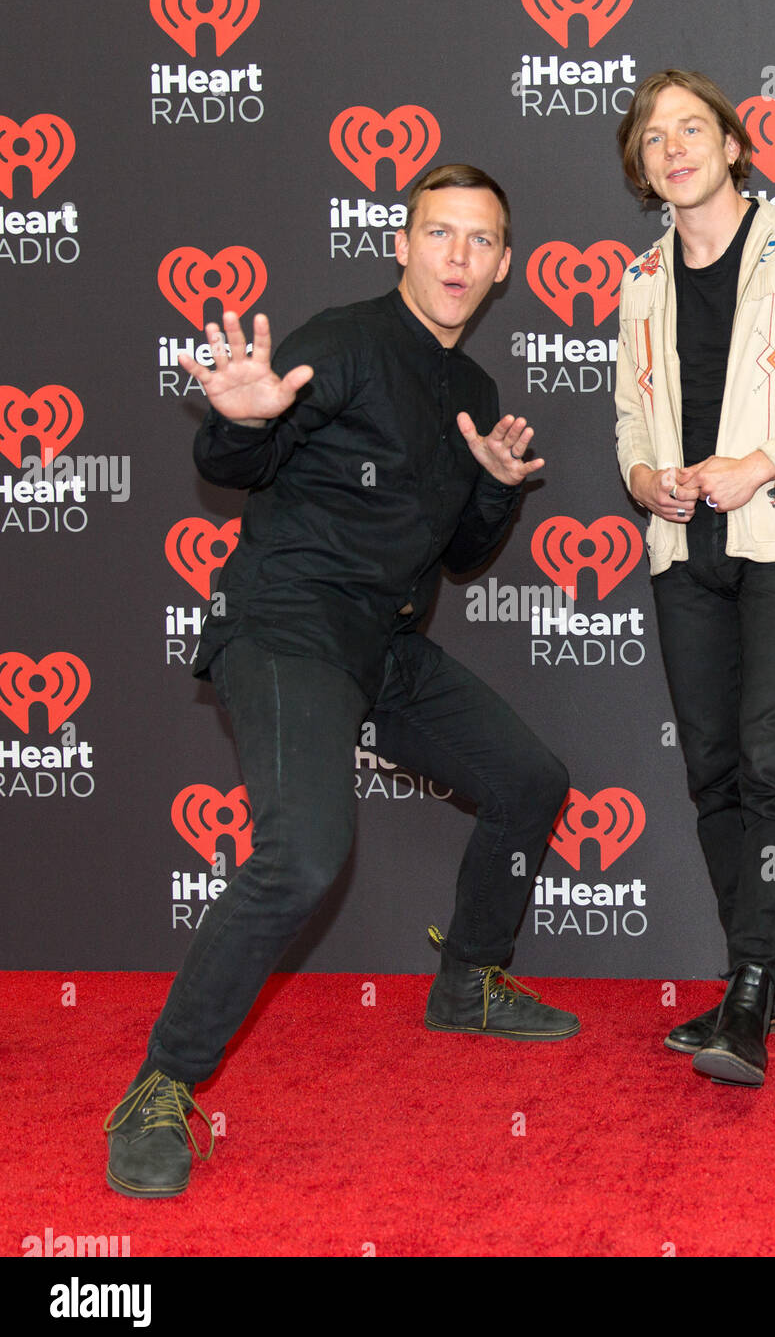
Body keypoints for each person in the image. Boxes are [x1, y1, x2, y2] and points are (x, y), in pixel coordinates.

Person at [104, 163, 578, 1199]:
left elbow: (456, 553)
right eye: (439, 233)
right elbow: (249, 455)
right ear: (400, 245)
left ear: (501, 268)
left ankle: (466, 983)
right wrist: (236, 418)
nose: (458, 254)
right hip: (285, 628)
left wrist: (495, 494)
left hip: (386, 645)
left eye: (480, 240)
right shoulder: (345, 337)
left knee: (530, 780)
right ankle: (160, 1085)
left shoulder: (476, 392)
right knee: (308, 852)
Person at [613, 71, 775, 1087]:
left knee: (771, 765)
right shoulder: (640, 280)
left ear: (731, 144)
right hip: (680, 548)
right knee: (712, 770)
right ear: (641, 171)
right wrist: (644, 477)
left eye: (691, 129)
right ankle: (762, 977)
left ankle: (747, 987)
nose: (672, 148)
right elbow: (630, 419)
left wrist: (757, 463)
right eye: (651, 139)